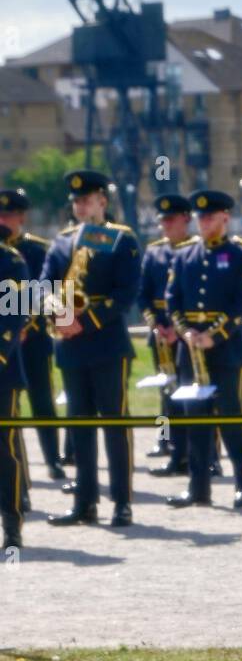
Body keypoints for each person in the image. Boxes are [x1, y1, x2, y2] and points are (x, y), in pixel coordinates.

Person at [41, 169, 141, 528]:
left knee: (114, 423)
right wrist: (58, 316)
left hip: (106, 343)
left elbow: (126, 293)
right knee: (79, 425)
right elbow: (44, 286)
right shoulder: (62, 240)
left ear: (102, 200)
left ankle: (122, 502)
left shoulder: (120, 238)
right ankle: (85, 502)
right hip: (69, 344)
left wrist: (85, 321)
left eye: (88, 199)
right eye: (77, 201)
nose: (81, 205)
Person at [164, 189, 242, 510]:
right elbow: (172, 300)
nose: (204, 222)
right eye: (200, 217)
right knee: (196, 422)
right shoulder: (184, 256)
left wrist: (214, 335)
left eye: (210, 216)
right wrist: (185, 332)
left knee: (231, 418)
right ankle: (198, 487)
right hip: (191, 352)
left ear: (225, 218)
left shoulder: (241, 255)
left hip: (225, 350)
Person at [0, 187, 64, 482]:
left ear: (22, 217)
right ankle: (16, 470)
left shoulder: (38, 250)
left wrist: (25, 325)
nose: (4, 219)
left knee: (42, 400)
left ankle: (53, 459)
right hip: (5, 342)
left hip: (32, 339)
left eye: (9, 215)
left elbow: (47, 293)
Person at [140, 192, 196, 478]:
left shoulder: (197, 249)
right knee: (167, 394)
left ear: (185, 219)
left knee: (194, 396)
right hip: (161, 334)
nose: (165, 225)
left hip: (187, 333)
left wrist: (179, 328)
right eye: (162, 220)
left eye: (170, 220)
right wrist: (156, 326)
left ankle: (204, 455)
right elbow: (144, 296)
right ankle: (170, 445)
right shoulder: (154, 251)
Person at [0, 222, 27, 553]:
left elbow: (13, 315)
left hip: (2, 371)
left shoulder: (10, 261)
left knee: (3, 452)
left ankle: (12, 526)